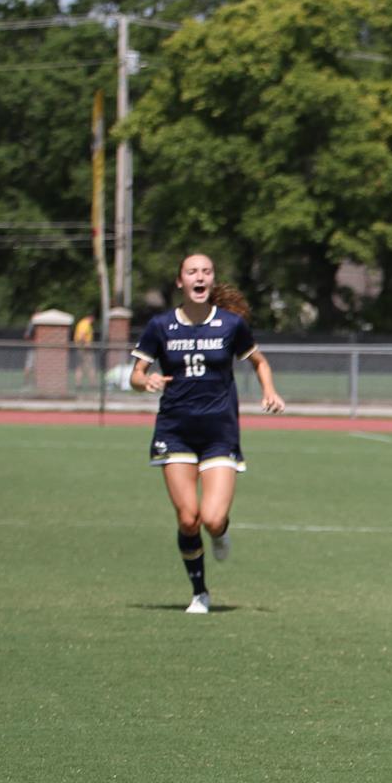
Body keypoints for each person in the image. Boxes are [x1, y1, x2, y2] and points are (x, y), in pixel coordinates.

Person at [129, 253, 285, 613]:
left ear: (212, 281)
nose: (200, 277)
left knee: (212, 520)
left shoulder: (231, 325)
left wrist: (269, 390)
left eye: (206, 272)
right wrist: (145, 380)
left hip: (219, 431)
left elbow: (259, 361)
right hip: (175, 429)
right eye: (192, 272)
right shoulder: (160, 326)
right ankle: (200, 592)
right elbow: (135, 376)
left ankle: (221, 532)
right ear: (179, 282)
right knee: (188, 518)